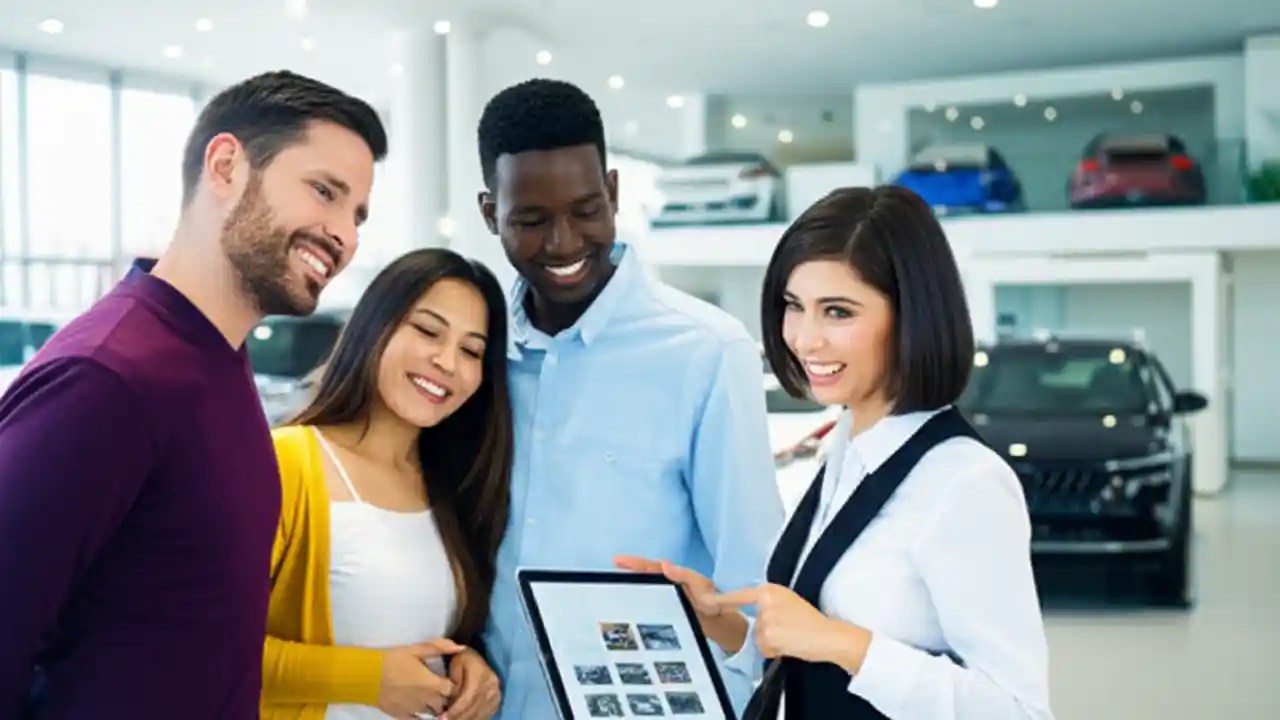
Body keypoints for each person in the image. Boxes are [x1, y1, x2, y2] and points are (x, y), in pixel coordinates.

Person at [0, 70, 387, 719]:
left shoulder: (215, 359)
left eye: (357, 216)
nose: (344, 236)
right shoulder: (108, 376)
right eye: (324, 192)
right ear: (227, 165)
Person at [623, 186, 1054, 719]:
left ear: (912, 316)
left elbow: (1018, 710)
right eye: (794, 306)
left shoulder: (963, 481)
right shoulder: (846, 451)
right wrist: (716, 620)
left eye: (838, 312)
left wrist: (843, 643)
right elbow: (813, 661)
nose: (805, 339)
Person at [474, 78, 784, 718]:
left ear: (612, 193)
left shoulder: (705, 350)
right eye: (531, 220)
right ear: (489, 213)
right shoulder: (475, 348)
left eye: (586, 210)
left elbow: (752, 585)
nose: (563, 243)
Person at [261, 248, 511, 720]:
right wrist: (368, 678)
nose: (447, 362)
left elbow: (422, 635)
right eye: (428, 331)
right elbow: (203, 645)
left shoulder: (450, 487)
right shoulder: (287, 462)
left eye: (471, 351)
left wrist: (467, 664)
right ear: (376, 326)